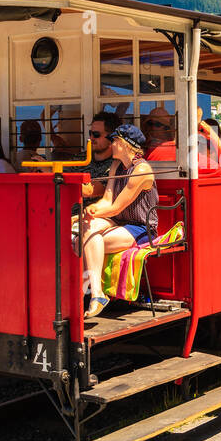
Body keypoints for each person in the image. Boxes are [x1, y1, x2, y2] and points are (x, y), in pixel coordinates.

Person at [77, 125, 159, 318]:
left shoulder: (141, 170)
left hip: (141, 227)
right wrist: (92, 211)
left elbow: (116, 207)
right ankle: (88, 293)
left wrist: (91, 213)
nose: (111, 144)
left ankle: (91, 293)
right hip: (119, 221)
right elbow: (107, 201)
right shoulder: (116, 166)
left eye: (114, 141)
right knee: (86, 229)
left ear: (125, 145)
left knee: (89, 239)